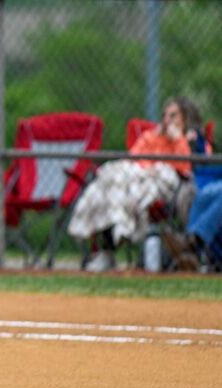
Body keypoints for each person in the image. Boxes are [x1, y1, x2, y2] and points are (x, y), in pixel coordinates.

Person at [68, 97, 194, 272]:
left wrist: (178, 140)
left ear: (184, 119)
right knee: (110, 188)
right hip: (133, 177)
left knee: (129, 192)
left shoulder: (188, 141)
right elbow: (133, 158)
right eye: (165, 115)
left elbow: (185, 169)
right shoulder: (150, 136)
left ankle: (113, 242)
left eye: (173, 116)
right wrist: (151, 154)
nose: (167, 120)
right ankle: (106, 251)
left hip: (164, 186)